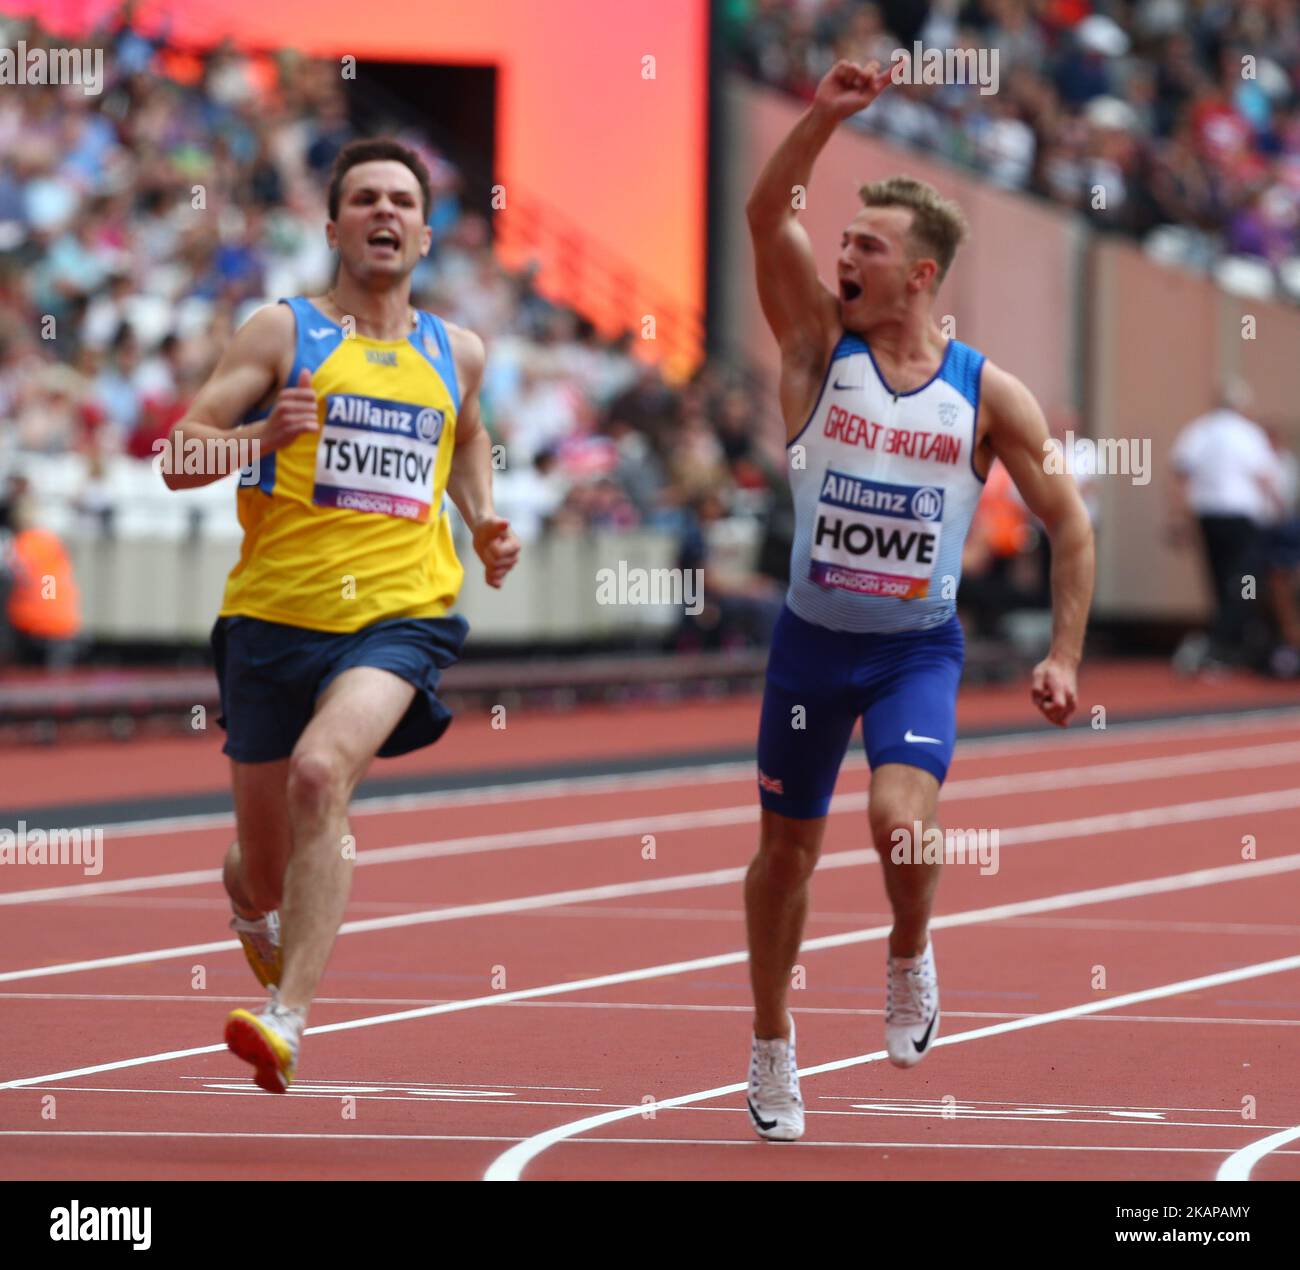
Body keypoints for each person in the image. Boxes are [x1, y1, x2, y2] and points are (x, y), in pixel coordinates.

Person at [742, 60, 1094, 1141]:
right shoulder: (815, 348)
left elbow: (1070, 524)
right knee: (786, 855)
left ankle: (907, 951)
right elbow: (767, 213)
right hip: (808, 647)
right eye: (844, 240)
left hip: (912, 651)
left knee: (899, 824)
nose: (844, 256)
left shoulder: (983, 392)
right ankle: (771, 1043)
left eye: (868, 247)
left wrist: (1065, 656)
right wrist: (823, 119)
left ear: (919, 274)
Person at [162, 138, 520, 1093]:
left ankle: (286, 1021)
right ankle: (250, 902)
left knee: (322, 777)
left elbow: (469, 438)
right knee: (266, 869)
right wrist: (254, 437)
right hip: (273, 622)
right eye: (363, 200)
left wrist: (483, 522)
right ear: (332, 227)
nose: (383, 214)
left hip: (399, 617)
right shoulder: (280, 334)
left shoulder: (459, 351)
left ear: (426, 232)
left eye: (401, 200)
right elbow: (176, 457)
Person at [1169, 382, 1281, 673]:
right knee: (1245, 582)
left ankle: (1227, 645)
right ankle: (1218, 644)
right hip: (1241, 518)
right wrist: (1281, 509)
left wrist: (1179, 517)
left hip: (1208, 516)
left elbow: (1182, 476)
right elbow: (1265, 477)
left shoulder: (1198, 430)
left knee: (1220, 580)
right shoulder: (1248, 433)